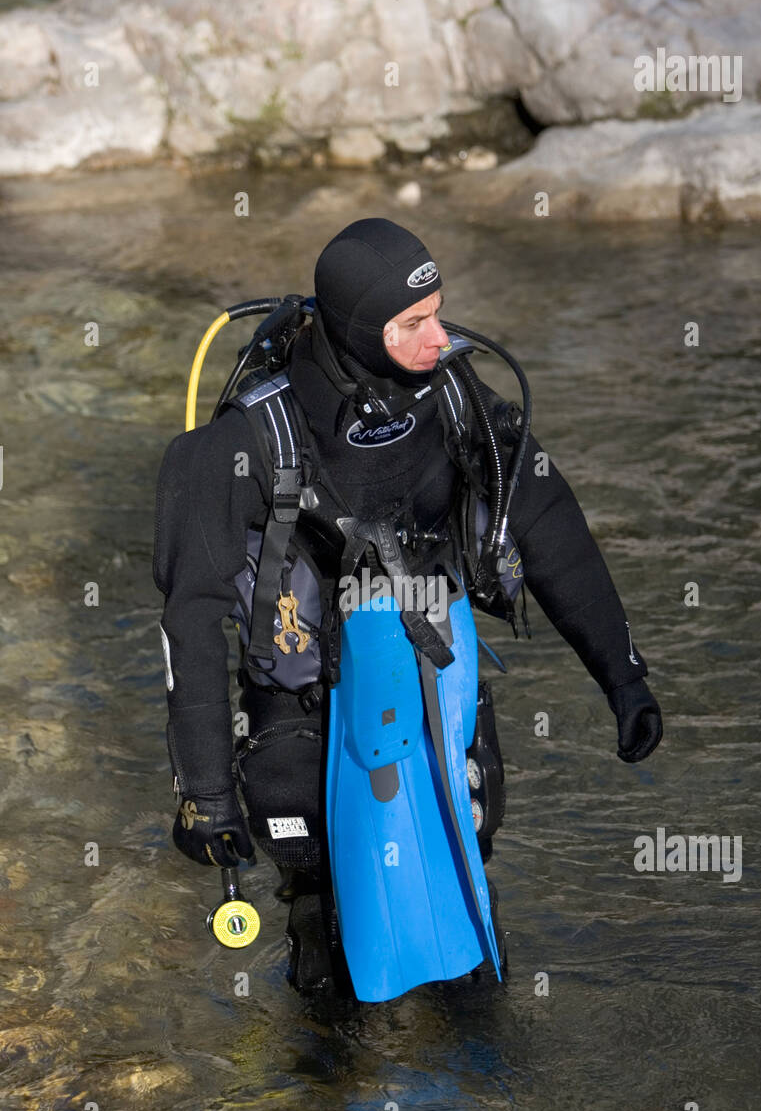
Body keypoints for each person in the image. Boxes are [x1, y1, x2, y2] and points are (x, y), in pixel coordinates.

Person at [153, 217, 662, 996]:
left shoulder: (454, 397)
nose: (440, 338)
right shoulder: (252, 438)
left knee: (465, 861)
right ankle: (329, 1091)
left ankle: (485, 1078)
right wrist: (207, 793)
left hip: (422, 663)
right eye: (413, 324)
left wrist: (622, 677)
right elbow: (191, 617)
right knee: (320, 917)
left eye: (439, 313)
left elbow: (549, 522)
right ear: (359, 331)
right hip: (304, 687)